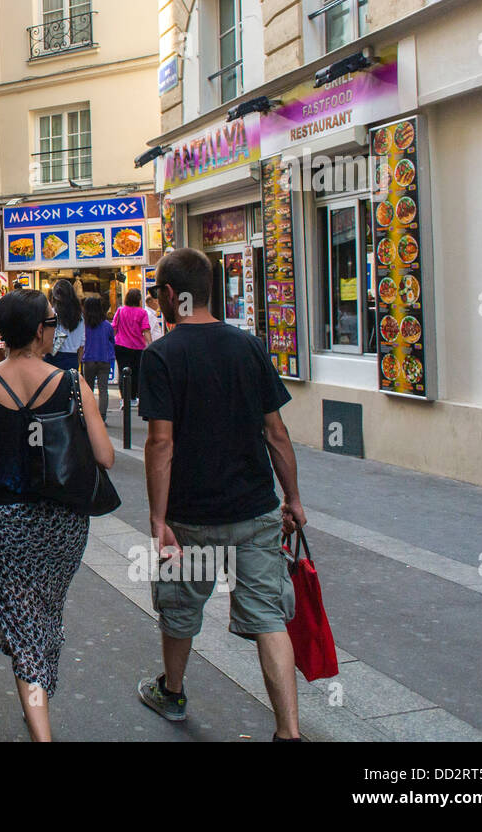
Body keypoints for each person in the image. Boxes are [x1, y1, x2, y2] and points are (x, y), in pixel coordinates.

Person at [136, 247, 305, 742]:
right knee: (268, 616)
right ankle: (288, 732)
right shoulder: (248, 347)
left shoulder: (161, 355)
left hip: (190, 516)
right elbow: (276, 432)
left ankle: (172, 691)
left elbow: (160, 442)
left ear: (171, 295)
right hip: (256, 508)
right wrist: (292, 499)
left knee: (181, 609)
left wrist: (157, 517)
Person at [0, 288, 115, 742]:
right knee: (43, 613)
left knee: (23, 619)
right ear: (39, 331)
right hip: (62, 519)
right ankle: (40, 719)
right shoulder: (70, 383)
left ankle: (38, 720)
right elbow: (104, 456)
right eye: (51, 323)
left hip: (4, 519)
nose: (55, 330)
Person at [112, 288, 151, 402]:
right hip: (137, 347)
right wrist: (150, 344)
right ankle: (133, 397)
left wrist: (111, 341)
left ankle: (124, 397)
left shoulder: (120, 311)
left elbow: (114, 327)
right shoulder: (142, 312)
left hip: (120, 345)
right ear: (138, 299)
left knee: (122, 371)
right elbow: (146, 330)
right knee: (136, 372)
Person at [81, 294, 116, 419]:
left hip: (88, 359)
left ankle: (88, 416)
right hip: (104, 359)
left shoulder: (83, 325)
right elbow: (112, 340)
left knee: (88, 389)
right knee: (103, 389)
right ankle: (102, 416)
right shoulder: (107, 325)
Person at [44, 279, 84, 371]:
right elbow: (82, 344)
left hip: (55, 357)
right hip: (73, 358)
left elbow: (53, 340)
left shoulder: (54, 314)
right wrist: (77, 363)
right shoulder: (79, 316)